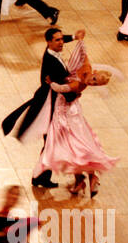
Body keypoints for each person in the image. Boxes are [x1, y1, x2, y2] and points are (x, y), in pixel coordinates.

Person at [33, 35, 119, 198]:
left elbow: (61, 88)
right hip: (68, 111)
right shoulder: (86, 66)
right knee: (74, 146)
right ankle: (84, 179)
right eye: (94, 79)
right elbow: (83, 52)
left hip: (66, 113)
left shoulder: (79, 84)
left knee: (72, 146)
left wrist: (50, 82)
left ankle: (87, 178)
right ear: (94, 71)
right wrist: (78, 39)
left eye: (95, 84)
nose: (92, 82)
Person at [1, 26, 80, 188]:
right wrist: (77, 93)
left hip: (52, 104)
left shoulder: (50, 50)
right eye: (57, 40)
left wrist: (73, 36)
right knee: (51, 142)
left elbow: (61, 38)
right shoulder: (52, 63)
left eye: (61, 39)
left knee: (51, 143)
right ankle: (40, 176)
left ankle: (41, 176)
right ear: (49, 42)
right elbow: (63, 87)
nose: (61, 42)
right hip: (49, 107)